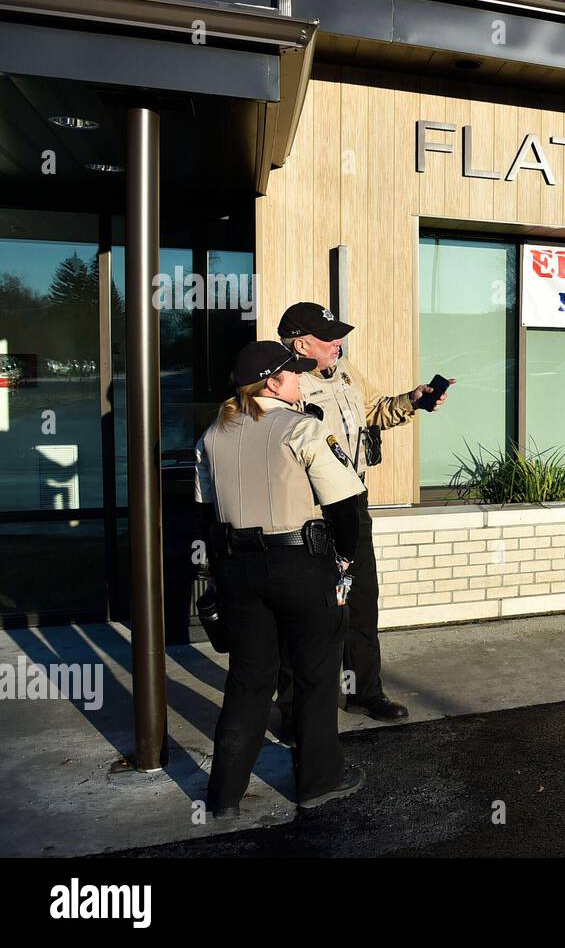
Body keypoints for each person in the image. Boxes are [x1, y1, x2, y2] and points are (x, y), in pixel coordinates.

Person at [195, 340, 368, 818]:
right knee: (315, 676)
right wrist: (346, 561)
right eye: (293, 373)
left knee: (248, 681)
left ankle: (223, 796)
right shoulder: (302, 428)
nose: (300, 380)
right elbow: (344, 505)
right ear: (273, 382)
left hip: (237, 569)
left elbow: (203, 512)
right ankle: (318, 781)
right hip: (300, 564)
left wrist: (216, 569)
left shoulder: (213, 434)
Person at [276, 300, 454, 725]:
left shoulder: (346, 372)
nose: (339, 342)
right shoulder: (283, 382)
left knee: (360, 601)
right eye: (329, 337)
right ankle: (293, 707)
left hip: (352, 502)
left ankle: (363, 693)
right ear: (302, 343)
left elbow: (373, 410)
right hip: (307, 511)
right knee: (307, 612)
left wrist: (414, 400)